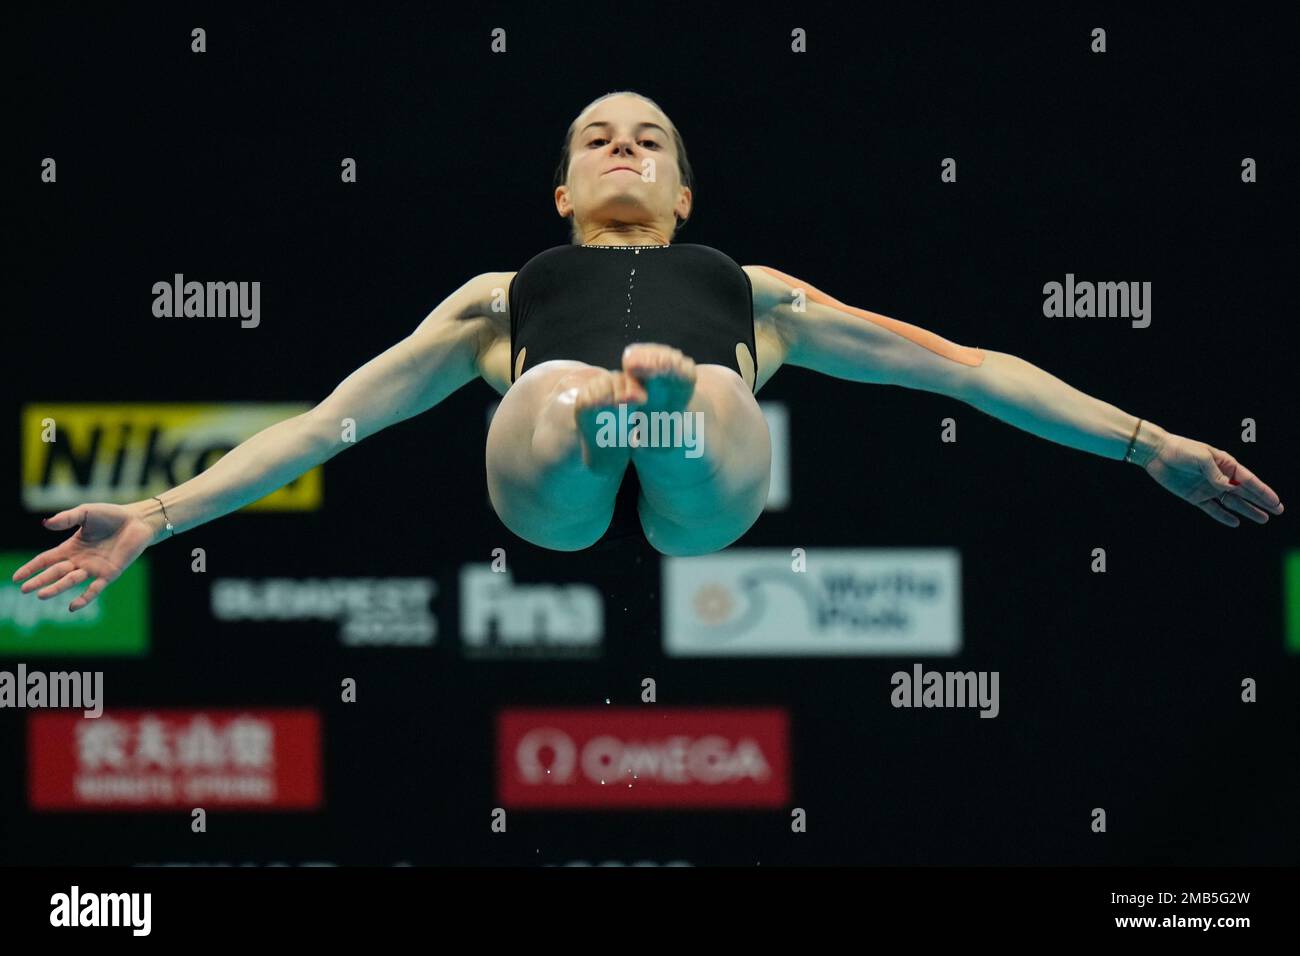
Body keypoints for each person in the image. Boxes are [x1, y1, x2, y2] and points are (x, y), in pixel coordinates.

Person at [12, 91, 1284, 613]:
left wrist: (1143, 439)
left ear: (682, 195)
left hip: (703, 475)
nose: (624, 145)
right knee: (572, 391)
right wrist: (157, 517)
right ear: (561, 192)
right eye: (596, 137)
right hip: (550, 474)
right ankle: (620, 407)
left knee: (720, 394)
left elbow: (962, 362)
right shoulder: (497, 296)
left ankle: (660, 407)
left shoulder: (755, 288)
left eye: (652, 138)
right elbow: (327, 424)